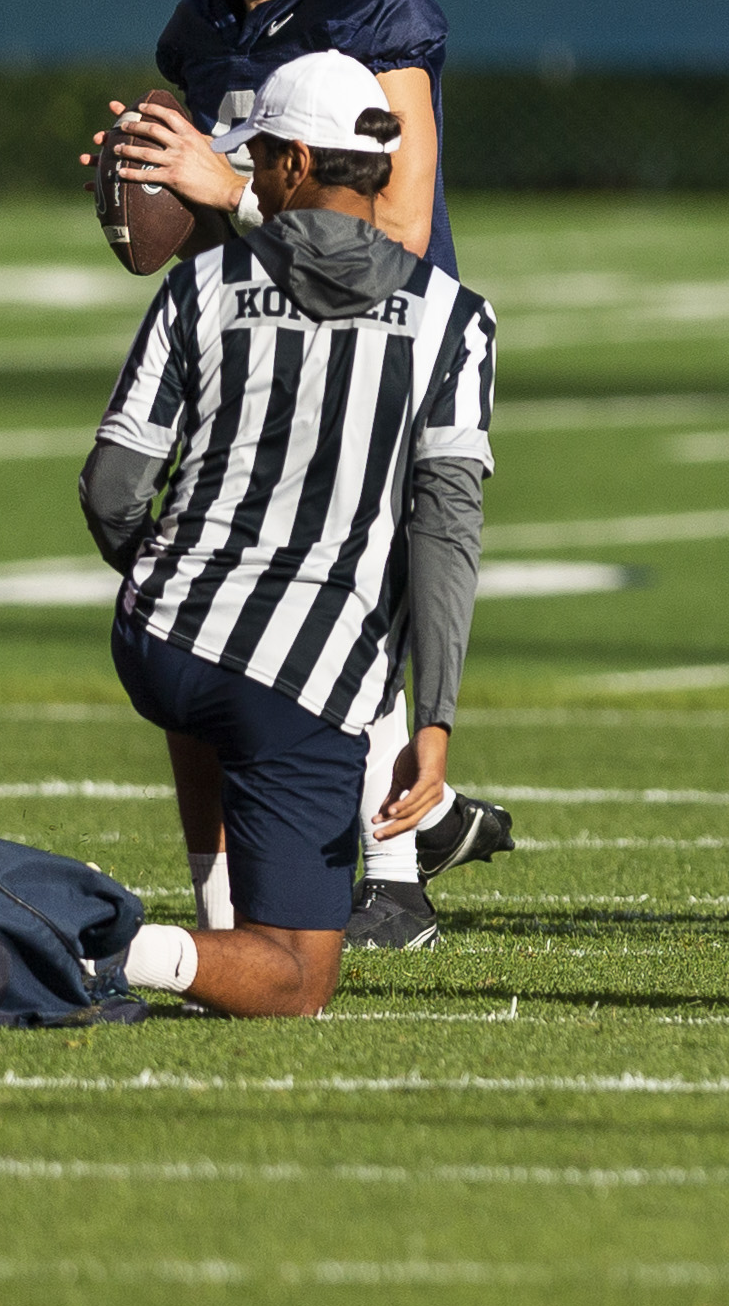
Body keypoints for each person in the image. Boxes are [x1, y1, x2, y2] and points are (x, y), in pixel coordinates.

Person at [77, 0, 511, 953]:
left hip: (380, 335)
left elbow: (399, 234)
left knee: (351, 586)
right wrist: (144, 189)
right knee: (254, 592)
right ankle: (298, 878)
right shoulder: (202, 28)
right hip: (257, 335)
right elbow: (167, 239)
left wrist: (225, 189)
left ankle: (396, 871)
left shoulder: (378, 5)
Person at [82, 53, 498, 1017]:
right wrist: (431, 718)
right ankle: (97, 942)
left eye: (261, 154)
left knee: (207, 678)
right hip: (297, 680)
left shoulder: (205, 287)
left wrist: (160, 573)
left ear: (299, 164)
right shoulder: (454, 323)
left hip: (161, 639)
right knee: (300, 984)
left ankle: (214, 910)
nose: (251, 174)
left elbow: (111, 487)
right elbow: (444, 535)